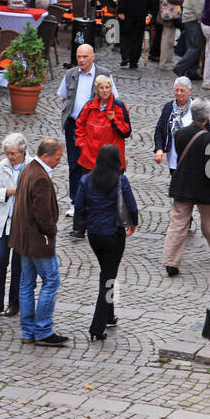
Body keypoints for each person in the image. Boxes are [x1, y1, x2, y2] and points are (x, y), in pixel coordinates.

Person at [73, 143, 138, 340]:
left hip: (94, 235)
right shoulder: (121, 180)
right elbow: (131, 205)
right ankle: (97, 326)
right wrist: (133, 223)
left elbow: (79, 207)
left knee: (107, 273)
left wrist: (82, 227)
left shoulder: (86, 180)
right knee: (108, 279)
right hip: (114, 234)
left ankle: (110, 315)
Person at [10, 137, 67, 347]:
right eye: (57, 158)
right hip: (37, 240)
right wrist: (52, 231)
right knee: (51, 280)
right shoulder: (41, 177)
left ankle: (28, 330)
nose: (59, 162)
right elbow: (43, 214)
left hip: (23, 239)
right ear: (46, 156)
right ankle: (43, 330)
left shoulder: (27, 169)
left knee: (26, 284)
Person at [162, 98, 210, 275]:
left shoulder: (180, 134)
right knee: (209, 222)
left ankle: (171, 262)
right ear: (207, 117)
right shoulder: (208, 138)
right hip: (203, 188)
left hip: (183, 185)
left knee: (178, 223)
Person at [0, 132, 31, 319]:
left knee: (18, 264)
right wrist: (9, 191)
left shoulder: (32, 166)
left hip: (22, 224)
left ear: (23, 152)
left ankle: (15, 303)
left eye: (13, 154)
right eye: (7, 153)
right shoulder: (3, 165)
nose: (10, 157)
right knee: (0, 259)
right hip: (4, 220)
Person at [57, 42, 98, 218]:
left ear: (93, 57)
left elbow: (113, 98)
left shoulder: (103, 75)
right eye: (78, 57)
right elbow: (63, 97)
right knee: (74, 164)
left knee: (92, 165)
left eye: (84, 57)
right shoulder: (70, 74)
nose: (81, 60)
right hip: (74, 125)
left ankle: (92, 200)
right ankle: (75, 201)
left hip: (94, 127)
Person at [74, 74, 131, 174]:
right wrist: (82, 145)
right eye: (101, 88)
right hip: (89, 159)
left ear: (111, 89)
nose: (104, 90)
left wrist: (114, 120)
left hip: (111, 160)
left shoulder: (118, 106)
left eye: (107, 87)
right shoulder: (89, 106)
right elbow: (79, 126)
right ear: (96, 90)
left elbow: (126, 132)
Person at [153, 77, 194, 186]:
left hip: (192, 158)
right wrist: (159, 149)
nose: (179, 93)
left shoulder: (196, 108)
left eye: (182, 90)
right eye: (176, 90)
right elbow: (159, 129)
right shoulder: (169, 107)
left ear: (190, 91)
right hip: (174, 158)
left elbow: (206, 133)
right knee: (178, 190)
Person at [116, 0, 153, 69]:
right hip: (140, 15)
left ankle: (125, 56)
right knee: (137, 38)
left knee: (125, 35)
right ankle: (133, 61)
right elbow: (150, 1)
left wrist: (120, 11)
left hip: (127, 15)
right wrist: (147, 12)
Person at [174, 0, 208, 80]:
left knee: (192, 46)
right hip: (193, 19)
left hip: (189, 18)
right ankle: (180, 68)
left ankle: (192, 72)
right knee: (196, 46)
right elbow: (198, 5)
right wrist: (200, 19)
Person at [154, 0, 183, 69]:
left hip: (167, 11)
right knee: (167, 38)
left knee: (168, 37)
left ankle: (167, 61)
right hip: (168, 12)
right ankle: (165, 63)